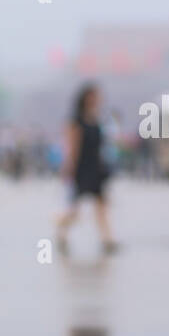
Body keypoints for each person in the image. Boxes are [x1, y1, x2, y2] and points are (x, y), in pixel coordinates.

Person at [54, 82, 118, 255]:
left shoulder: (97, 118)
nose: (96, 100)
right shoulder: (76, 121)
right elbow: (72, 147)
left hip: (97, 167)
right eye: (93, 96)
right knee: (74, 210)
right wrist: (68, 167)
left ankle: (108, 239)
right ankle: (60, 228)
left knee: (101, 205)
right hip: (82, 168)